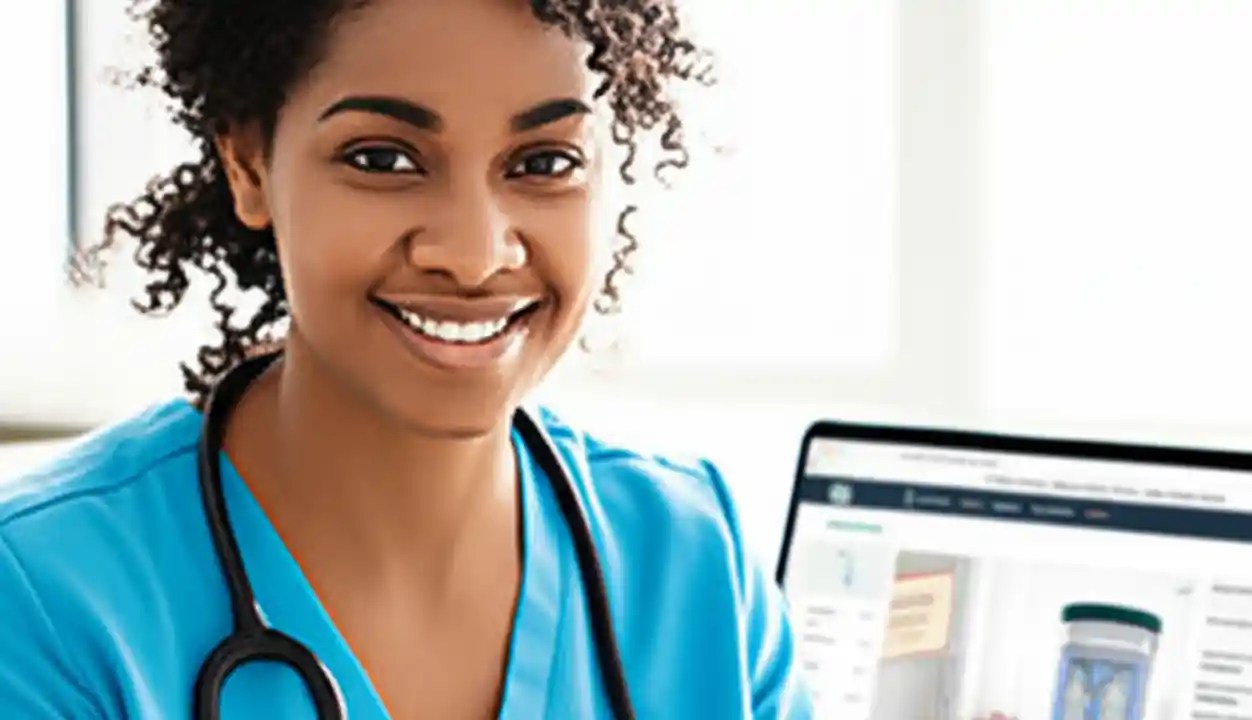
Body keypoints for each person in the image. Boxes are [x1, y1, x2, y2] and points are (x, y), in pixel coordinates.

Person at [0, 0, 813, 717]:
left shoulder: (695, 558)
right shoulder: (44, 596)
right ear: (248, 164)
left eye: (544, 163)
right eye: (383, 159)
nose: (473, 253)